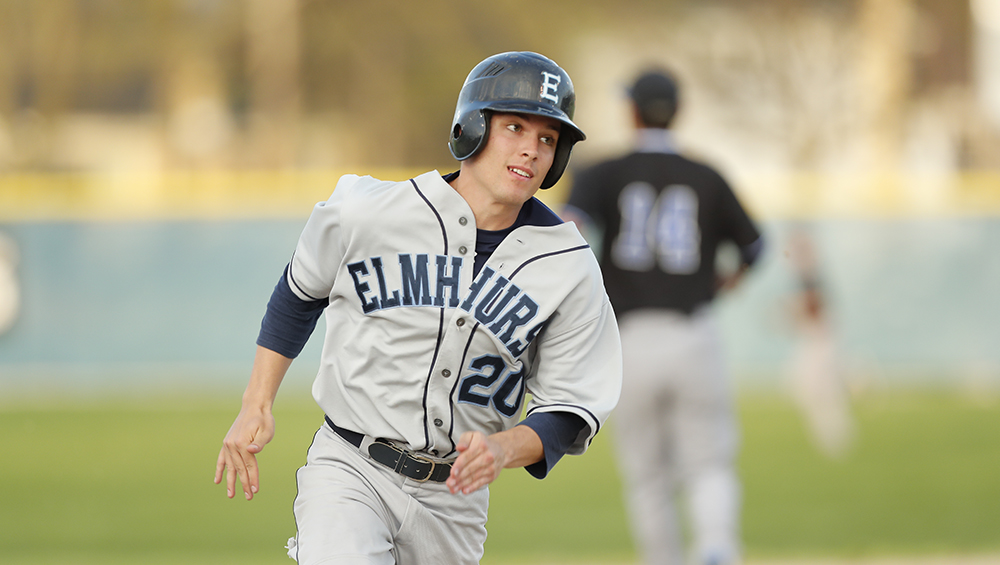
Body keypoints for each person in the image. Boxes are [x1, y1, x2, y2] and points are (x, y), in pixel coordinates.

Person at [214, 51, 622, 565]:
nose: (531, 150)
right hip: (351, 465)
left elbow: (569, 408)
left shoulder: (570, 267)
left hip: (455, 501)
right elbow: (301, 291)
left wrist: (504, 448)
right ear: (472, 127)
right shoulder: (371, 211)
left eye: (547, 139)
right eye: (514, 127)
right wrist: (257, 401)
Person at [563, 68, 763, 565]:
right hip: (693, 330)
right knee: (709, 463)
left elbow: (568, 232)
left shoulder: (601, 170)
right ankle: (716, 549)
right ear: (680, 111)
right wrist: (725, 281)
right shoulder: (707, 175)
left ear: (631, 111)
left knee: (647, 476)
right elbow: (755, 247)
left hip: (628, 339)